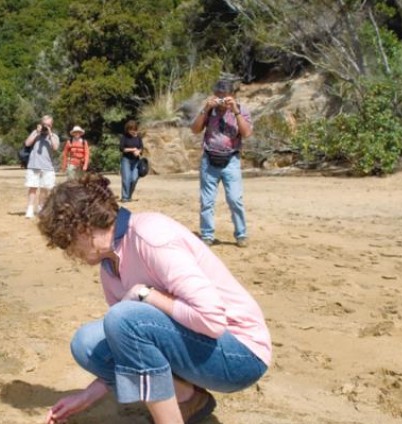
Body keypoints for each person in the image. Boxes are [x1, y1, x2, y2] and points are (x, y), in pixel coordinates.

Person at [37, 174, 271, 424]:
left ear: (83, 228)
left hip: (241, 354)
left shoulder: (150, 236)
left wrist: (148, 295)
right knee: (86, 344)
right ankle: (187, 398)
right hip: (201, 348)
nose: (69, 252)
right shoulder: (110, 266)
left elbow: (212, 321)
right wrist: (86, 396)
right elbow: (129, 348)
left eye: (66, 242)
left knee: (122, 318)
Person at [190, 79, 253, 248]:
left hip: (231, 160)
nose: (221, 99)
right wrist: (206, 108)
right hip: (209, 159)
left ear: (232, 95)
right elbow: (195, 129)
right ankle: (207, 235)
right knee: (207, 201)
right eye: (218, 95)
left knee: (235, 199)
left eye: (225, 96)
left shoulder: (241, 110)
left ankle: (241, 234)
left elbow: (246, 133)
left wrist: (235, 112)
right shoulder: (209, 111)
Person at [23, 115, 60, 219]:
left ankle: (40, 208)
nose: (46, 126)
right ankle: (30, 209)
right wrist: (37, 132)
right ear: (40, 123)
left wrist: (50, 133)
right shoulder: (36, 133)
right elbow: (27, 143)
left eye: (48, 124)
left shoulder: (54, 136)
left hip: (47, 166)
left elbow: (55, 147)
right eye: (45, 124)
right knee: (32, 187)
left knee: (45, 188)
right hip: (34, 165)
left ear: (51, 125)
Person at [118, 120, 143, 202]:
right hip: (126, 160)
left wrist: (139, 151)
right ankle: (125, 197)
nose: (133, 131)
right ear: (127, 129)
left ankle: (129, 195)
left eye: (134, 129)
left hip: (136, 161)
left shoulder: (138, 137)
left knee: (134, 178)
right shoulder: (124, 137)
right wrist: (132, 149)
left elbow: (141, 147)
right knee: (126, 178)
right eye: (131, 129)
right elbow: (121, 148)